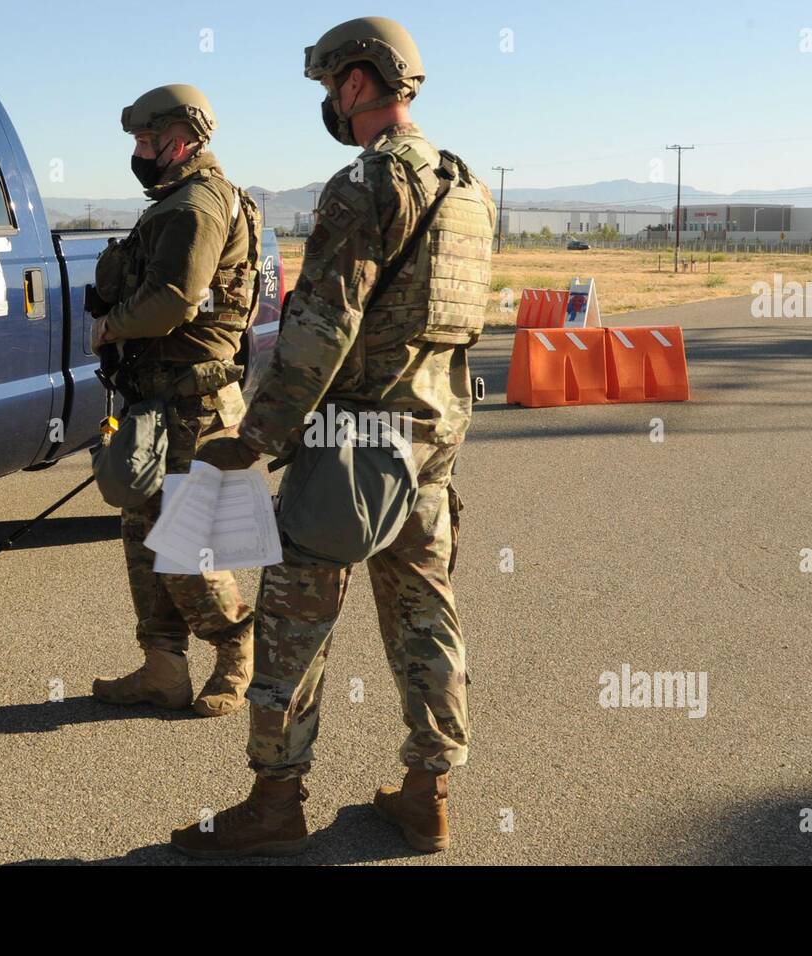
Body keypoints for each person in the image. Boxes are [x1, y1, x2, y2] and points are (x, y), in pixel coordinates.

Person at [170, 17, 495, 857]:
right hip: (430, 437)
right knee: (425, 615)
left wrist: (256, 437)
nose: (327, 100)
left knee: (292, 620)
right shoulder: (467, 189)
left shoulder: (365, 185)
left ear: (358, 81)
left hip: (354, 442)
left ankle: (276, 801)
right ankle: (430, 792)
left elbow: (321, 328)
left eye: (328, 86)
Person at [89, 84, 260, 719]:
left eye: (144, 141)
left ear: (179, 140)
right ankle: (163, 669)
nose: (137, 153)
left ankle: (236, 652)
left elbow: (174, 301)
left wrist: (108, 327)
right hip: (158, 402)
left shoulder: (197, 207)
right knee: (144, 536)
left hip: (196, 403)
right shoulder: (178, 200)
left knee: (191, 544)